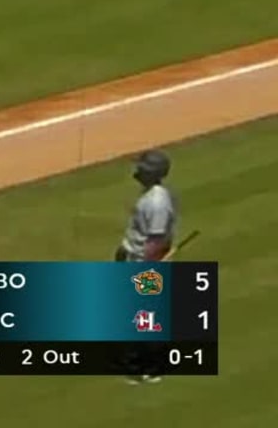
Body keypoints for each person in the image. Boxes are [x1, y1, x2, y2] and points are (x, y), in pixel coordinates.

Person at [116, 149, 177, 384]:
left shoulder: (157, 202)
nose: (137, 170)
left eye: (142, 167)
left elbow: (156, 239)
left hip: (145, 265)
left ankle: (149, 365)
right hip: (136, 259)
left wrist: (147, 269)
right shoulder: (152, 195)